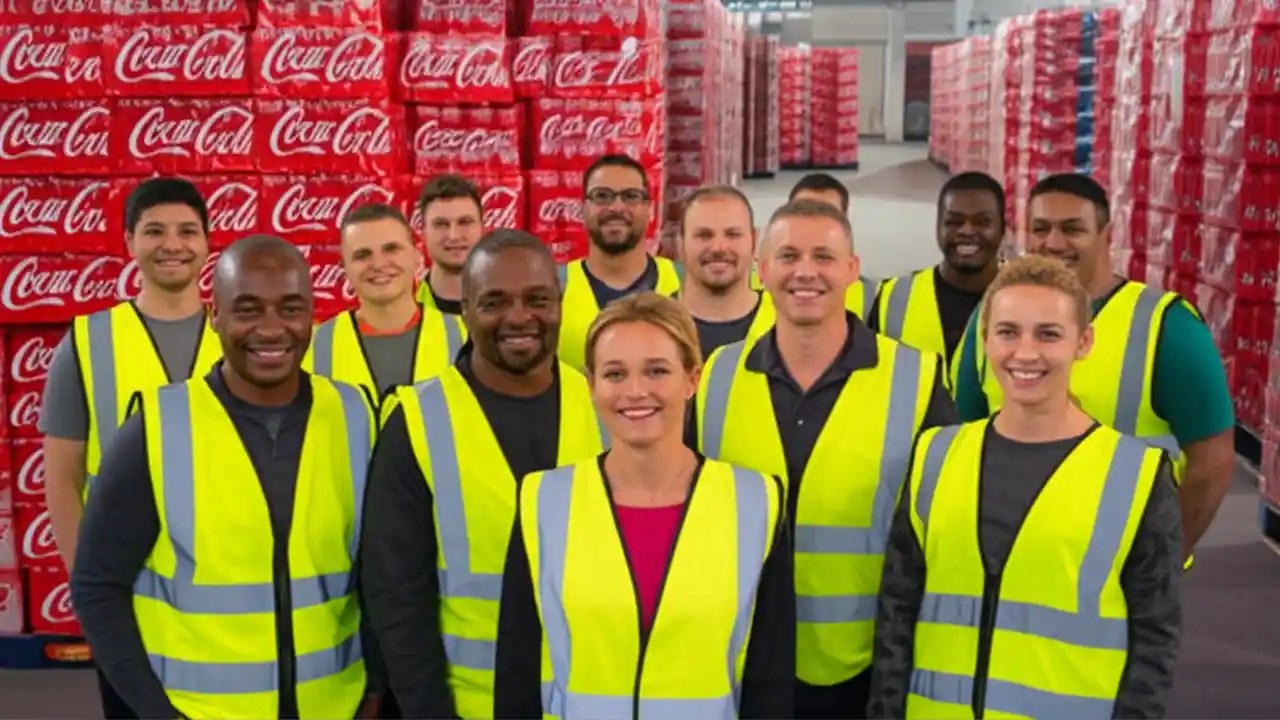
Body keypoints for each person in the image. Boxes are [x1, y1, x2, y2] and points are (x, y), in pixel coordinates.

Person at [70, 235, 384, 720]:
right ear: (214, 315)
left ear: (313, 317)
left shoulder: (356, 416)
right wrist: (155, 712)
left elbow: (383, 576)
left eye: (290, 308)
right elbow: (97, 586)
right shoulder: (157, 426)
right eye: (248, 309)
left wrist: (375, 692)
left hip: (334, 708)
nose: (271, 328)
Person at [867, 255, 1182, 719]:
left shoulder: (1137, 476)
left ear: (1084, 342)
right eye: (1008, 332)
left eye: (1048, 334)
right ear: (985, 339)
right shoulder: (935, 457)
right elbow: (897, 613)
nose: (1025, 353)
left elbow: (1155, 644)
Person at [690, 199, 957, 719]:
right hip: (740, 658)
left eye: (824, 257)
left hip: (863, 670)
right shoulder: (715, 378)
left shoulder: (915, 379)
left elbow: (941, 533)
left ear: (853, 271)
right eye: (788, 255)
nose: (805, 272)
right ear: (762, 270)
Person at [494, 292, 795, 719]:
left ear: (693, 378)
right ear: (591, 383)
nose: (636, 391)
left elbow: (771, 682)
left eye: (657, 371)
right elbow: (517, 675)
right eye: (615, 374)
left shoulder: (756, 503)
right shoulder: (544, 503)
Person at [361, 230, 605, 719]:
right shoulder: (417, 420)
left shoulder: (604, 407)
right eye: (495, 302)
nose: (519, 317)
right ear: (465, 310)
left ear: (560, 303)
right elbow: (397, 597)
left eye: (537, 299)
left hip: (593, 699)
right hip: (471, 706)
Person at [951, 173, 1236, 564]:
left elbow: (1212, 460)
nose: (1053, 243)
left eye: (1072, 229)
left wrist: (1162, 560)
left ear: (1106, 234)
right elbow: (964, 441)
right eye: (1041, 228)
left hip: (1119, 567)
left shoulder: (1166, 327)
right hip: (1008, 560)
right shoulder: (989, 318)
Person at [40, 177, 222, 718]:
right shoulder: (87, 343)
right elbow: (62, 479)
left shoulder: (245, 333)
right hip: (130, 604)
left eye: (188, 231)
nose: (173, 244)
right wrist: (93, 594)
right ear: (128, 242)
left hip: (229, 599)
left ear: (209, 244)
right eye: (155, 231)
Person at [304, 203, 466, 407]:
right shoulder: (311, 346)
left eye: (391, 249)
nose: (379, 264)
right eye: (363, 255)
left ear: (417, 256)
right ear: (344, 267)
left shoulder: (467, 336)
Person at [868, 172, 1006, 373]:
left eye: (982, 222)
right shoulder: (891, 299)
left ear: (1003, 229)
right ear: (938, 226)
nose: (966, 231)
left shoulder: (1029, 298)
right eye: (954, 221)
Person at [557, 153, 684, 371]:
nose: (616, 207)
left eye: (630, 196)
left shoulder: (685, 283)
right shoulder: (554, 288)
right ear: (583, 208)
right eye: (602, 196)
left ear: (649, 209)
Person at [675, 185, 775, 358]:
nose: (718, 247)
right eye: (704, 235)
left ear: (754, 240)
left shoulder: (786, 324)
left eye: (733, 234)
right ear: (680, 244)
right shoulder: (650, 325)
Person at [785, 173, 878, 319]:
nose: (814, 223)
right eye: (803, 212)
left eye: (828, 214)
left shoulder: (871, 299)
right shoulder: (751, 286)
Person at [415, 174, 486, 314]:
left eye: (465, 222)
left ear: (481, 228)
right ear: (423, 233)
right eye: (441, 224)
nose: (453, 236)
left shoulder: (508, 308)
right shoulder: (404, 310)